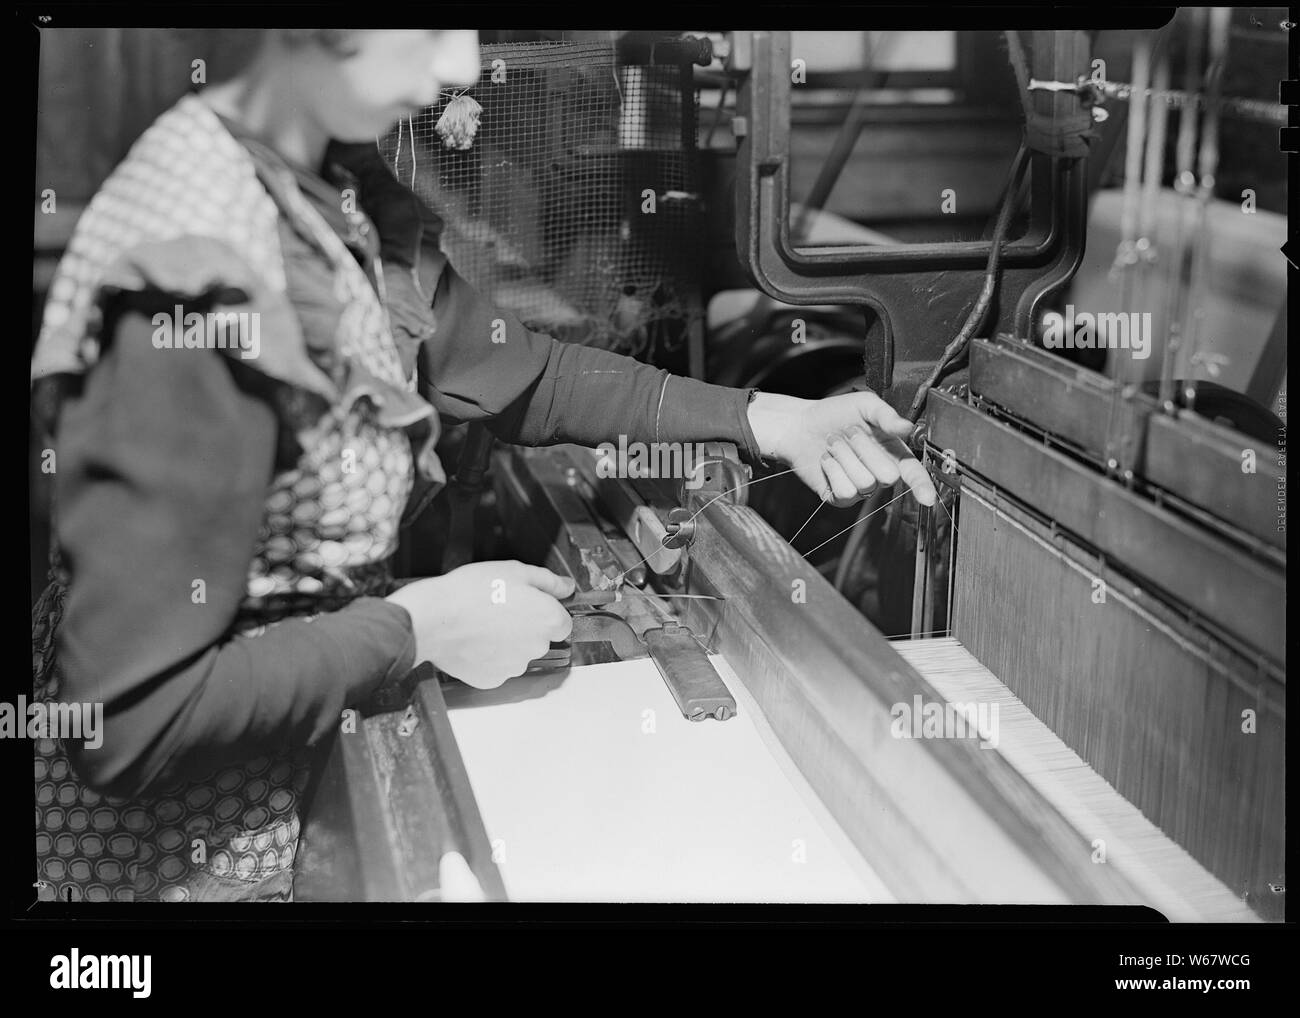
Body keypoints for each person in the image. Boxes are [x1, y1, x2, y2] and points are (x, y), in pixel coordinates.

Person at [31, 29, 937, 902]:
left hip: (285, 798)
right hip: (164, 861)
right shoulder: (192, 280)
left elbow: (521, 373)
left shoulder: (321, 191)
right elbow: (128, 724)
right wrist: (418, 629)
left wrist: (764, 417)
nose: (464, 61)